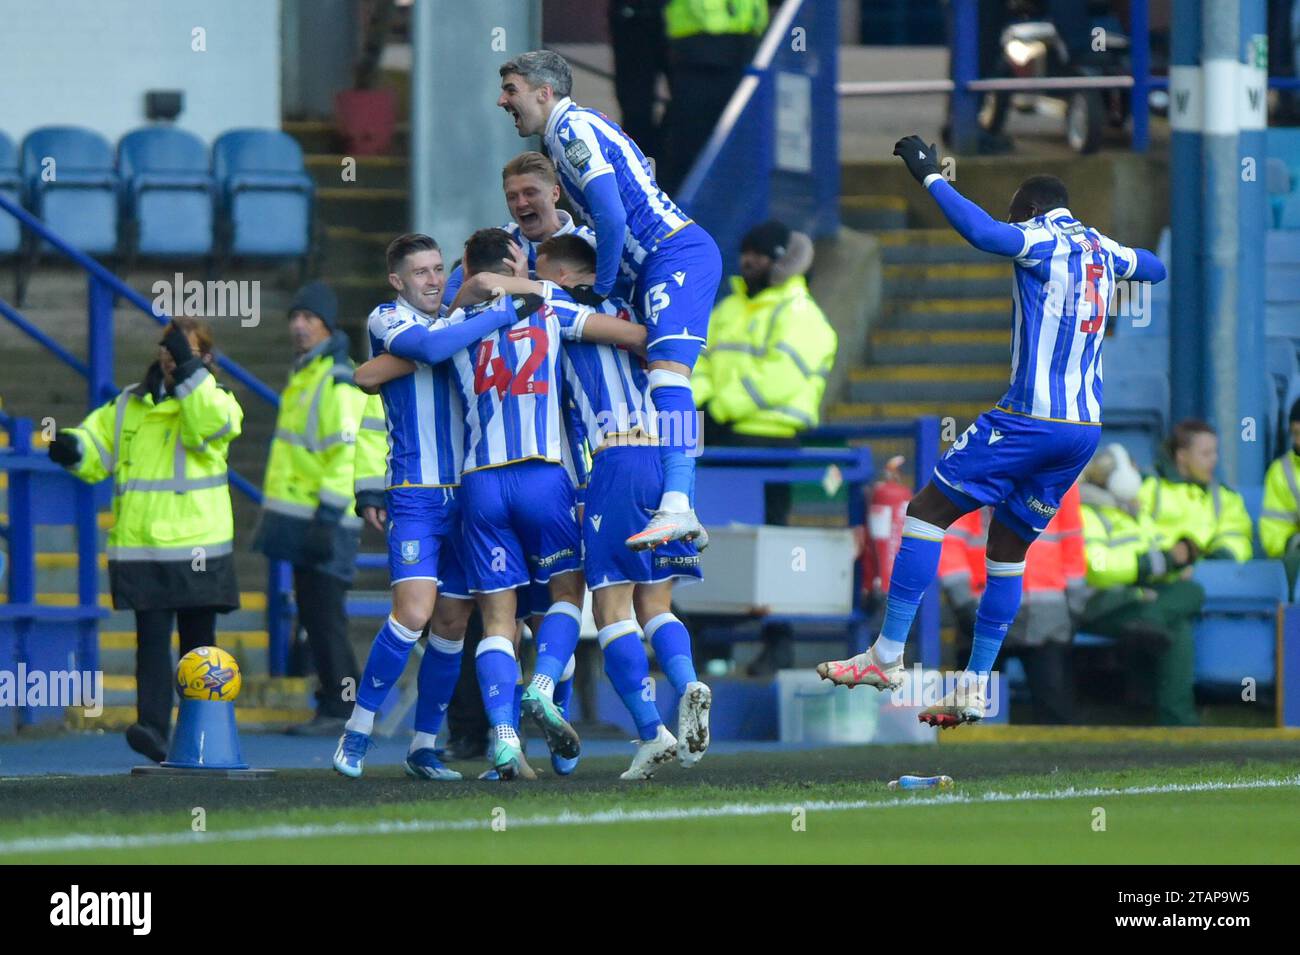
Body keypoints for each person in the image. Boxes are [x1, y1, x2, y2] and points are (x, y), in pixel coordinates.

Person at [816, 134, 1166, 729]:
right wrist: (1117, 262)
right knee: (1006, 549)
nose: (1011, 222)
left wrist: (930, 176)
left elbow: (982, 234)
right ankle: (975, 684)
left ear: (1028, 209)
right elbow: (1154, 268)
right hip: (1082, 429)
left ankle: (887, 655)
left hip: (1028, 417)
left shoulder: (1038, 236)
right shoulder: (1102, 247)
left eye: (1014, 213)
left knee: (925, 513)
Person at [355, 228, 647, 779]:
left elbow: (370, 373)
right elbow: (635, 336)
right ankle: (549, 698)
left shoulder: (456, 329)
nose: (435, 280)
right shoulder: (548, 307)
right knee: (561, 600)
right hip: (546, 477)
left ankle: (505, 742)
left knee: (497, 622)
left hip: (480, 488)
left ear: (461, 271)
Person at [487, 233, 712, 778]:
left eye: (541, 271)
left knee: (611, 608)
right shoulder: (643, 306)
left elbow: (509, 290)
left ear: (561, 276)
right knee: (655, 605)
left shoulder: (558, 310)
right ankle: (688, 685)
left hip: (619, 458)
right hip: (675, 457)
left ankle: (650, 728)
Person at [498, 49, 723, 550]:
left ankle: (678, 505)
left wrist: (600, 288)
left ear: (544, 92)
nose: (502, 100)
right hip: (663, 261)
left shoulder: (570, 130)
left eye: (511, 90)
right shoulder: (573, 132)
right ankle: (683, 500)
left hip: (674, 254)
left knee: (667, 374)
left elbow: (614, 216)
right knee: (663, 372)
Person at [331, 233, 530, 780]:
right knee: (413, 613)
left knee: (450, 625)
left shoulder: (454, 318)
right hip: (416, 492)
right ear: (397, 281)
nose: (434, 280)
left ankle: (423, 746)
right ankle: (359, 730)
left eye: (440, 269)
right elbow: (429, 349)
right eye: (421, 272)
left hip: (470, 493)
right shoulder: (386, 320)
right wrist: (500, 313)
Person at [49, 318, 242, 762]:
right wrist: (73, 448)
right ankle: (153, 729)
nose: (171, 355)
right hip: (142, 546)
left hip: (200, 545)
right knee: (151, 644)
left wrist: (191, 369)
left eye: (184, 349)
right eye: (168, 348)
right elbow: (97, 444)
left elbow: (208, 423)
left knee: (199, 648)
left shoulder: (217, 401)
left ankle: (201, 735)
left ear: (205, 358)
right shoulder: (128, 405)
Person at [693, 218, 837, 675]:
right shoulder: (728, 309)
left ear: (779, 260)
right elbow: (699, 360)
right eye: (745, 253)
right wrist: (704, 404)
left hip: (771, 442)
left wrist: (720, 405)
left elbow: (781, 376)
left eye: (758, 254)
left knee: (772, 543)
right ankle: (712, 648)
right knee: (712, 540)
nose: (748, 262)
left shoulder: (801, 312)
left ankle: (779, 641)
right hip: (723, 438)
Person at [256, 282, 366, 736]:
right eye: (295, 317)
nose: (300, 325)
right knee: (317, 614)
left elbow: (344, 453)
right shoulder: (306, 374)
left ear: (328, 325)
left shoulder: (334, 377)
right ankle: (335, 701)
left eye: (310, 318)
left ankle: (343, 708)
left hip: (327, 519)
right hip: (305, 518)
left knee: (325, 615)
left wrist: (328, 514)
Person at [1077, 444, 1203, 726]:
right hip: (1101, 602)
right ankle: (1179, 722)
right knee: (1177, 626)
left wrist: (1176, 564)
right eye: (1132, 468)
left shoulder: (1135, 513)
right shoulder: (1087, 513)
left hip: (1139, 598)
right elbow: (1098, 568)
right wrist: (1152, 564)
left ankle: (1150, 621)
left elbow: (1158, 555)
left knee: (1191, 590)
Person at [938, 484, 1086, 724]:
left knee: (1054, 708)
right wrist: (963, 602)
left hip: (1043, 613)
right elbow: (952, 543)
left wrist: (1075, 606)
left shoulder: (1063, 476)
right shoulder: (980, 469)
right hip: (984, 611)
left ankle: (1056, 762)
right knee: (972, 714)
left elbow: (1072, 542)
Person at [442, 150, 595, 306]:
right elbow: (449, 296)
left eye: (530, 193)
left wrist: (522, 287)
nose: (521, 203)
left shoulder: (590, 243)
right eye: (512, 197)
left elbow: (610, 304)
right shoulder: (501, 239)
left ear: (555, 193)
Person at [660, 0, 768, 192]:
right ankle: (678, 205)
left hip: (745, 46)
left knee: (739, 142)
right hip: (699, 49)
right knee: (692, 140)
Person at [1139, 419, 1253, 565]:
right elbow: (1138, 532)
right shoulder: (1149, 486)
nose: (1214, 459)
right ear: (1182, 456)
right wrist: (1173, 559)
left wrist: (1211, 564)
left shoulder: (1226, 496)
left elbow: (1236, 536)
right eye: (1206, 454)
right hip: (1160, 576)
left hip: (1212, 578)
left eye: (1215, 453)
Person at [609, 0, 669, 164]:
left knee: (690, 102)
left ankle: (661, 161)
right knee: (636, 110)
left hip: (682, 21)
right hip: (633, 16)